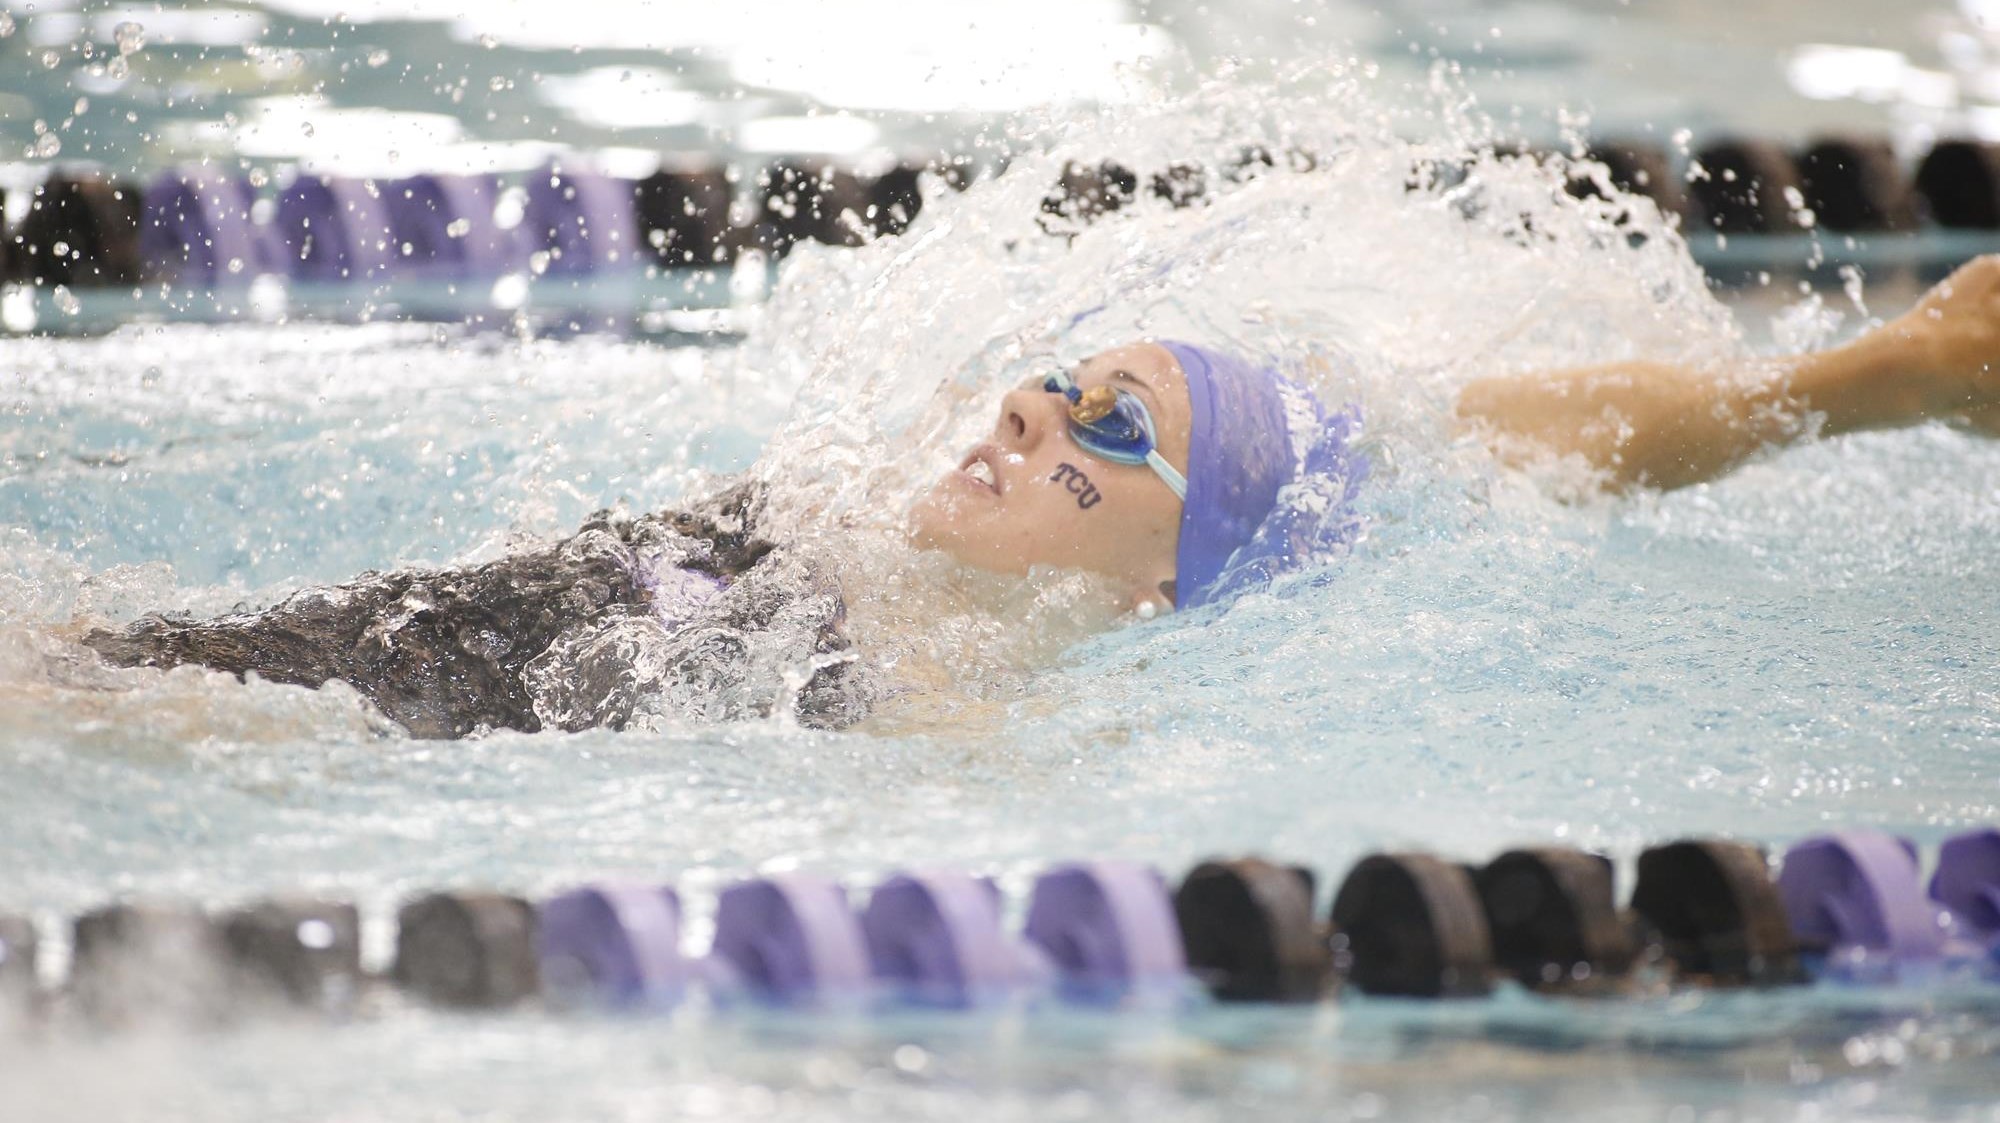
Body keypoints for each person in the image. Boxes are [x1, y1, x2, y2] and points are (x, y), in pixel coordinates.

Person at [82, 256, 2000, 738]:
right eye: (1064, 378)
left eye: (1105, 428)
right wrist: (1871, 380)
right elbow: (1481, 433)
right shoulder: (847, 529)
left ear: (1176, 573)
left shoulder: (962, 703)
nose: (1029, 409)